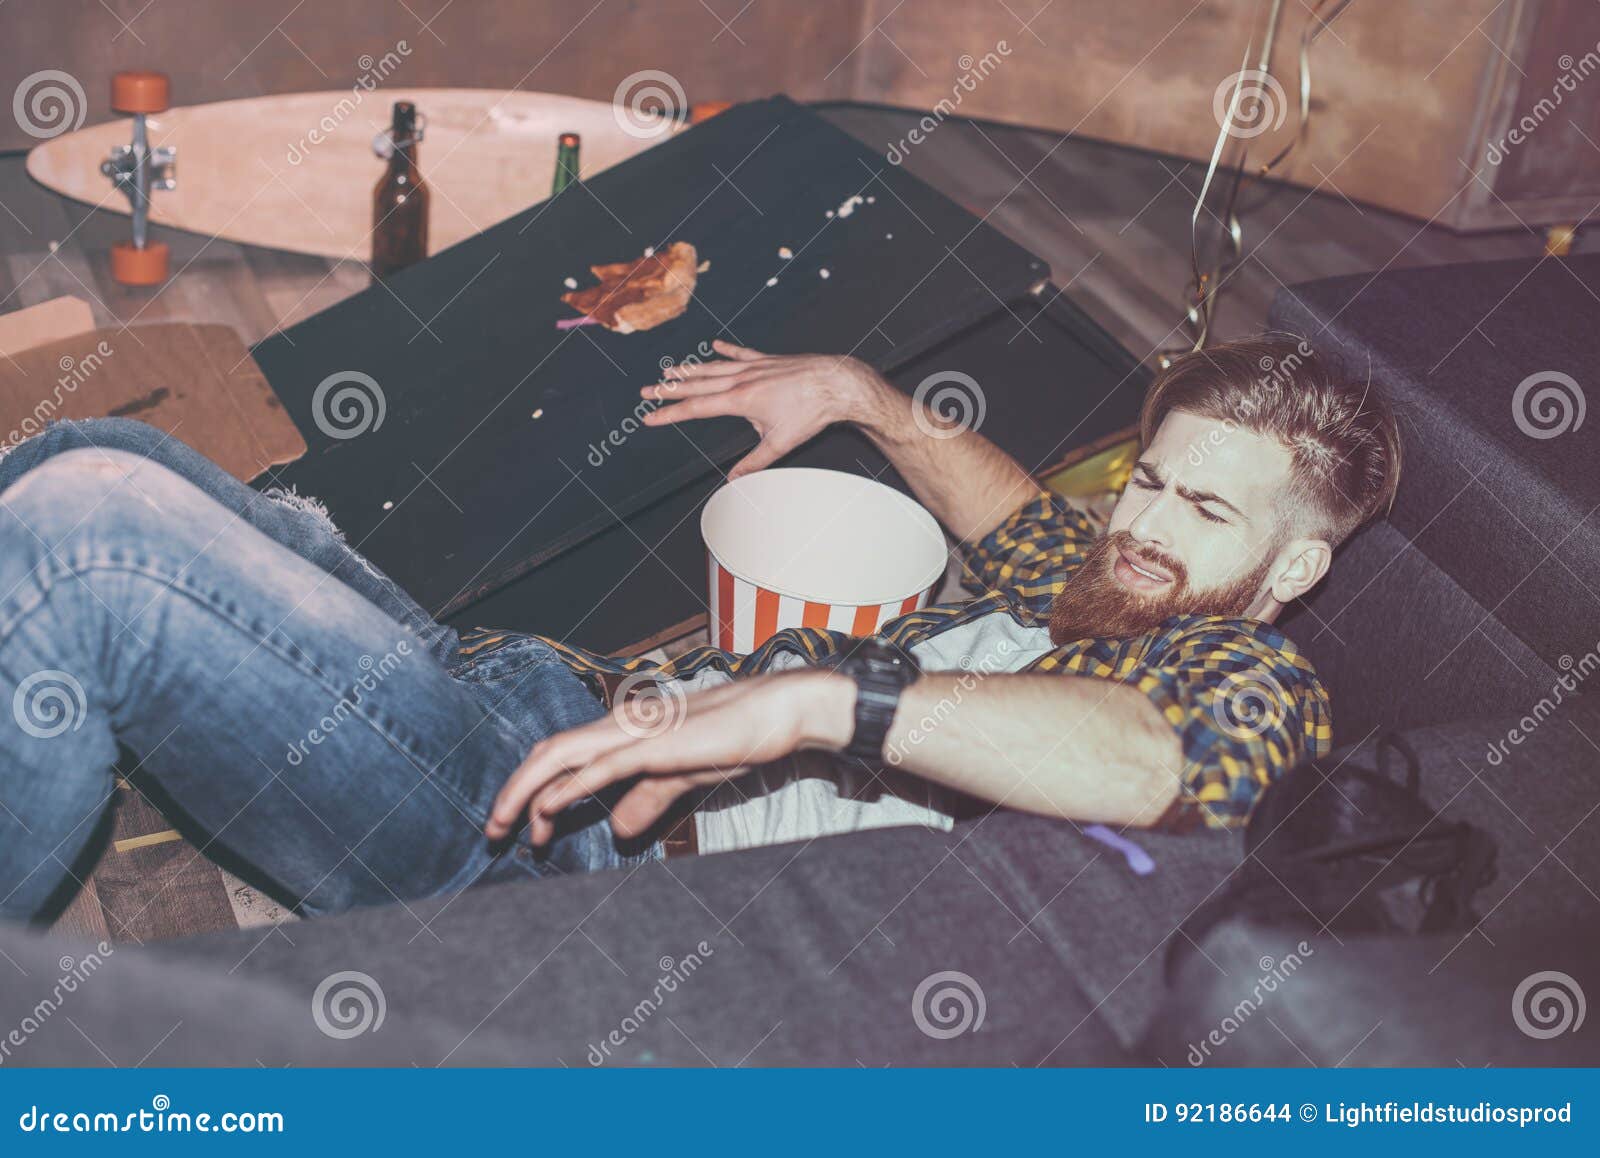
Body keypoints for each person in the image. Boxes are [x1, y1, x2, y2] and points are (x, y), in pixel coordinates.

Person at [0, 334, 1398, 923]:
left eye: (1206, 511)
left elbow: (1153, 758)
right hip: (542, 698)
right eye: (1148, 477)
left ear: (1294, 568)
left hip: (546, 838)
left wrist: (807, 702)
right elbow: (1020, 508)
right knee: (105, 442)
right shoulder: (1106, 577)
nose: (1143, 524)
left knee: (93, 537)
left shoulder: (1250, 678)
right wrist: (859, 390)